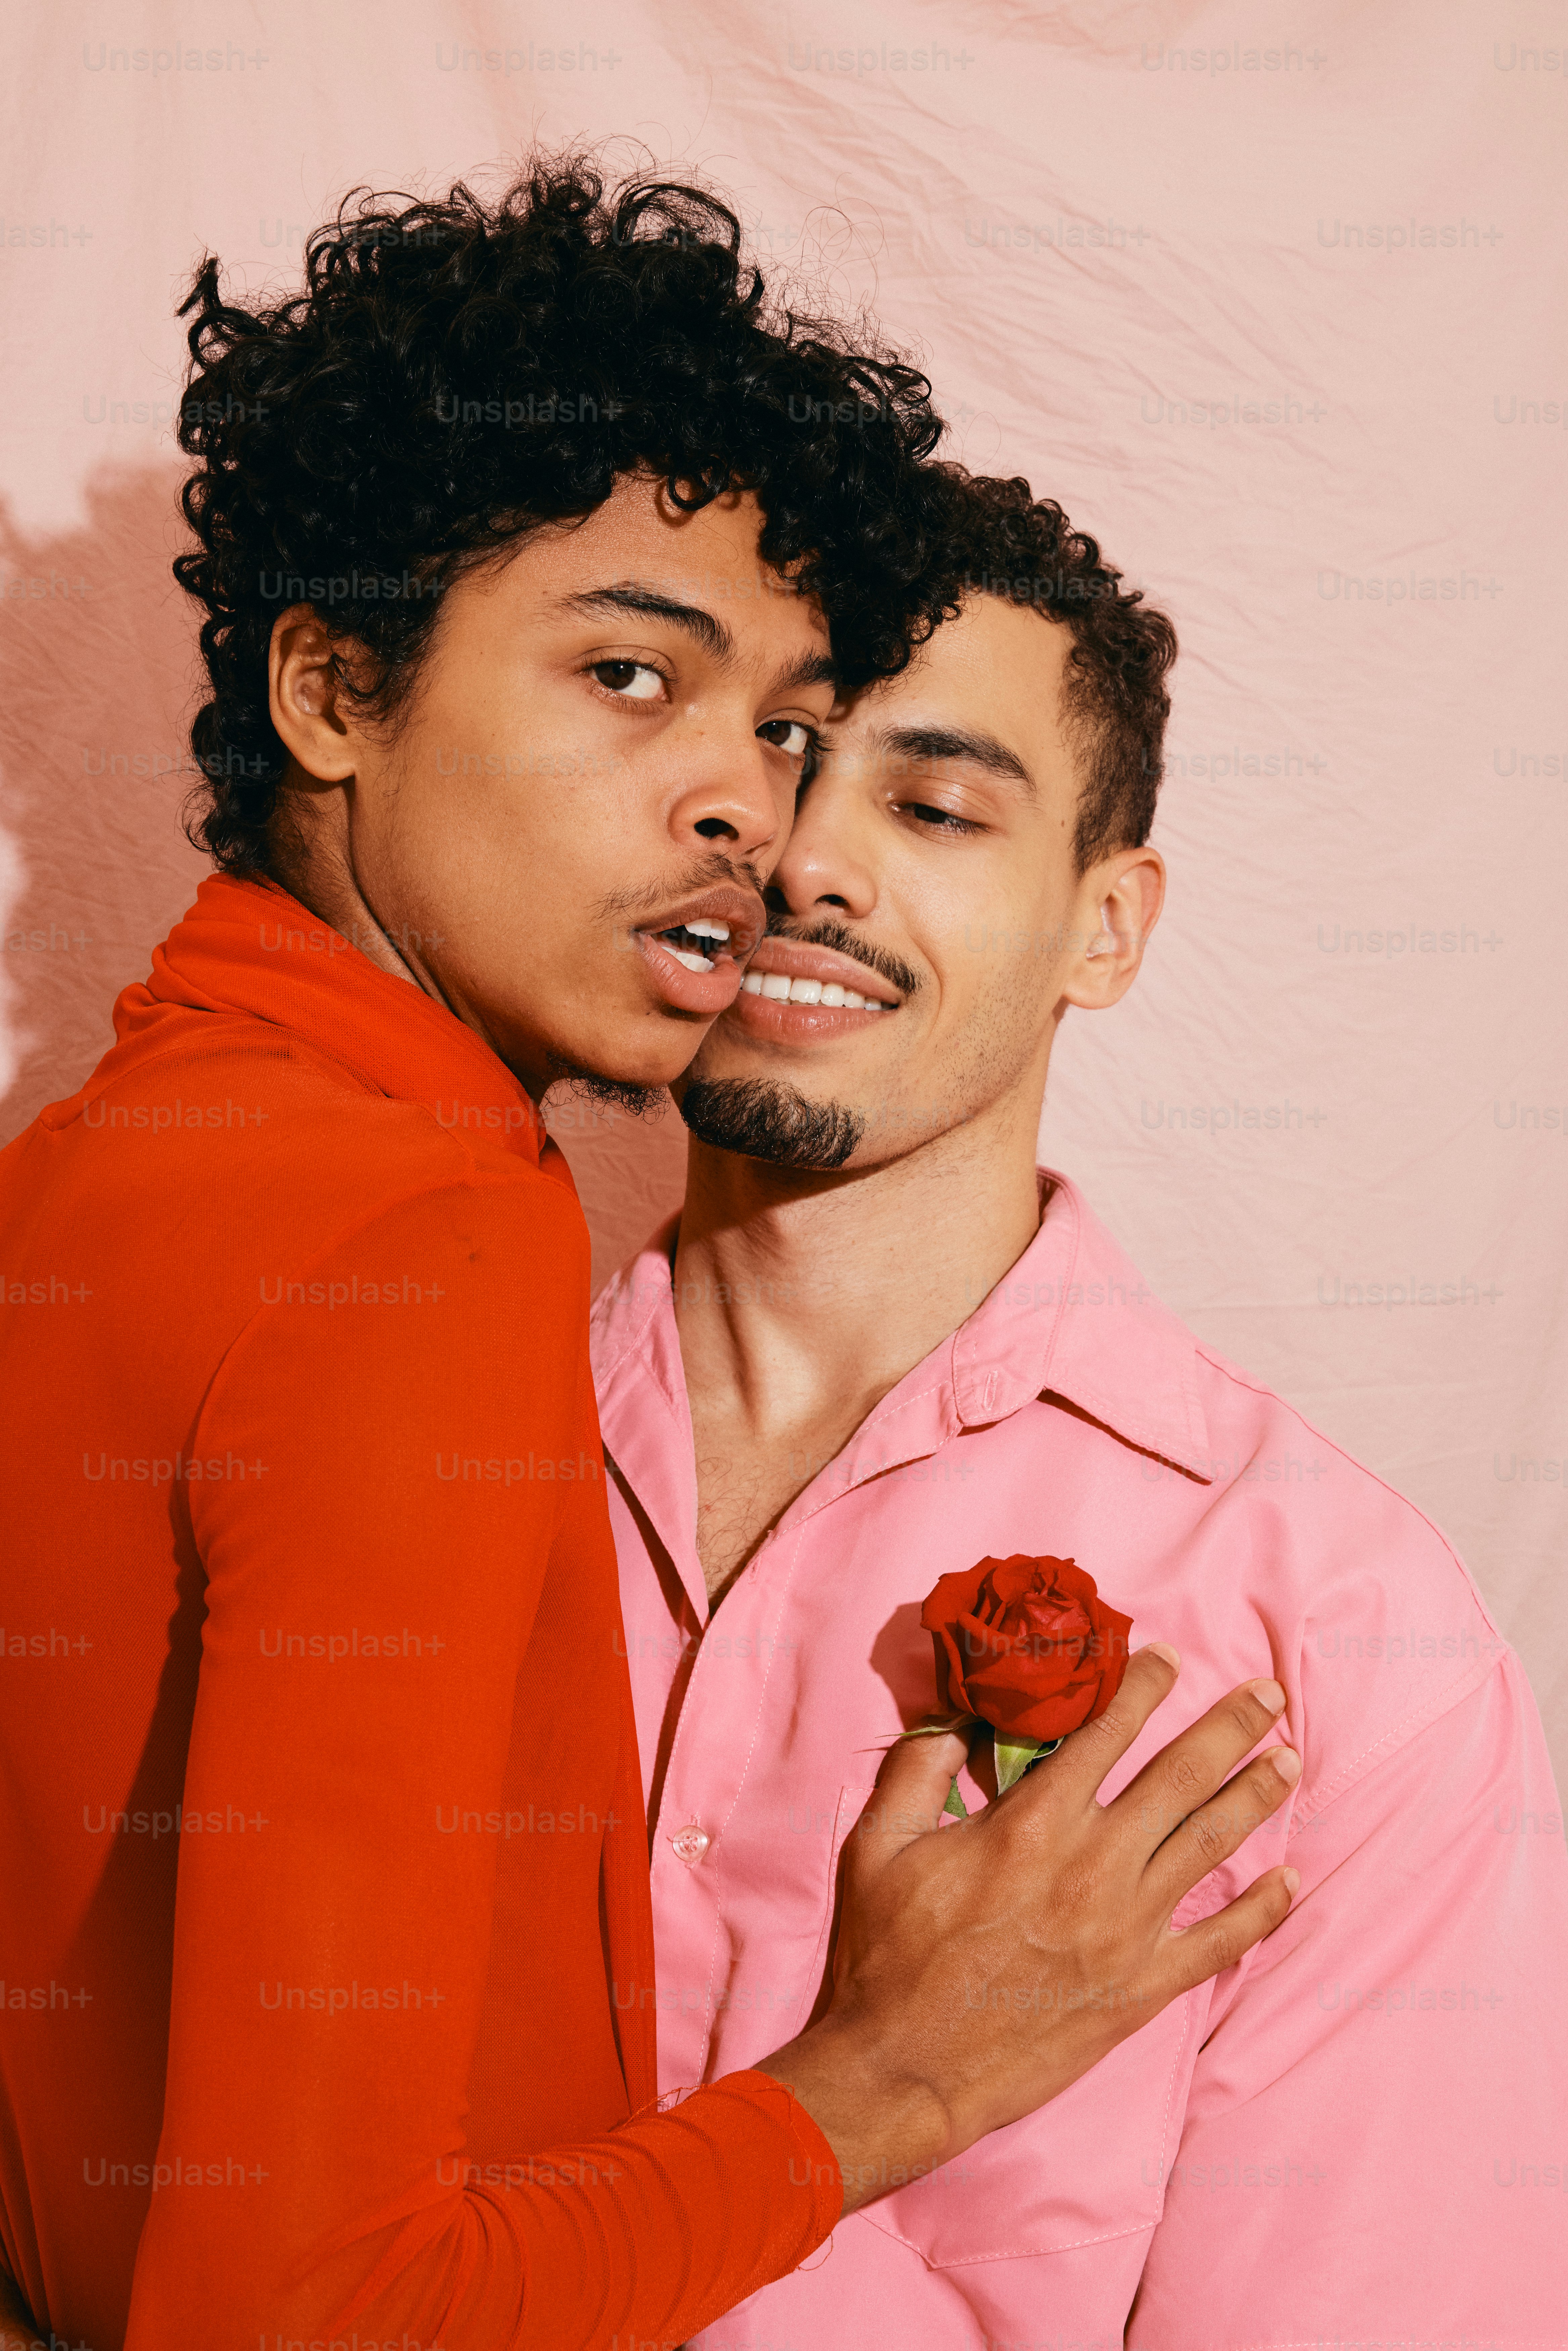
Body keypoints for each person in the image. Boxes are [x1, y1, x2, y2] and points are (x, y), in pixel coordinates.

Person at [0, 165, 1301, 2351]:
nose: (754, 815)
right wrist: (884, 2080)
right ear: (332, 692)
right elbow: (299, 2312)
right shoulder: (428, 1234)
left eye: (781, 728)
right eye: (632, 675)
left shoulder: (71, 1178)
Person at [596, 471, 1568, 2348]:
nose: (808, 858)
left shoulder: (1342, 1633)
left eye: (938, 804)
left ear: (1105, 929)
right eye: (780, 757)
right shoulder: (375, 1454)